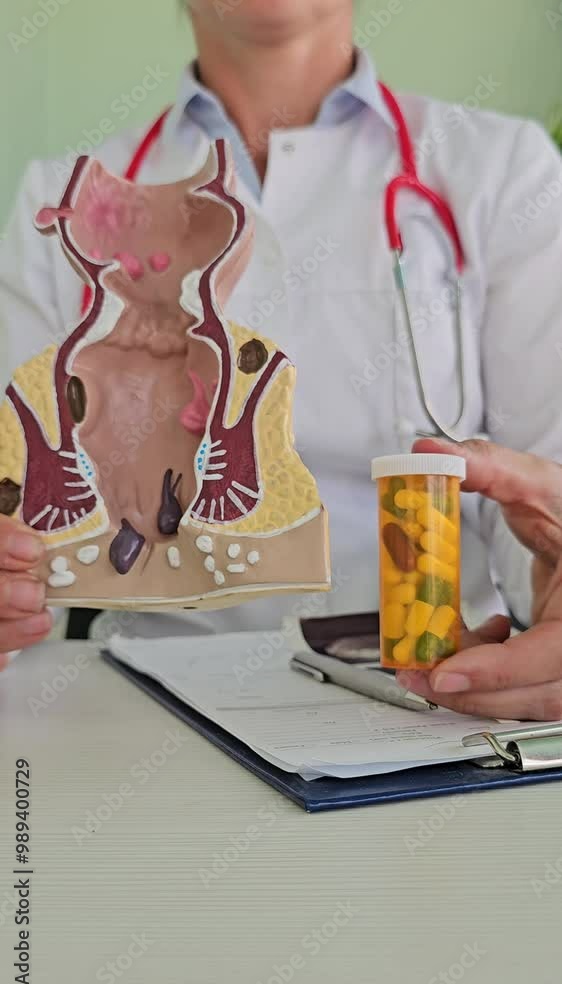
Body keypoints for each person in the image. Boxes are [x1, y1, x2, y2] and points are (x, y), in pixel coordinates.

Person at [0, 1, 561, 719]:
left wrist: (551, 593)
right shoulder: (60, 200)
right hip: (143, 710)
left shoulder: (504, 171)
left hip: (443, 701)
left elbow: (540, 506)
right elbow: (31, 525)